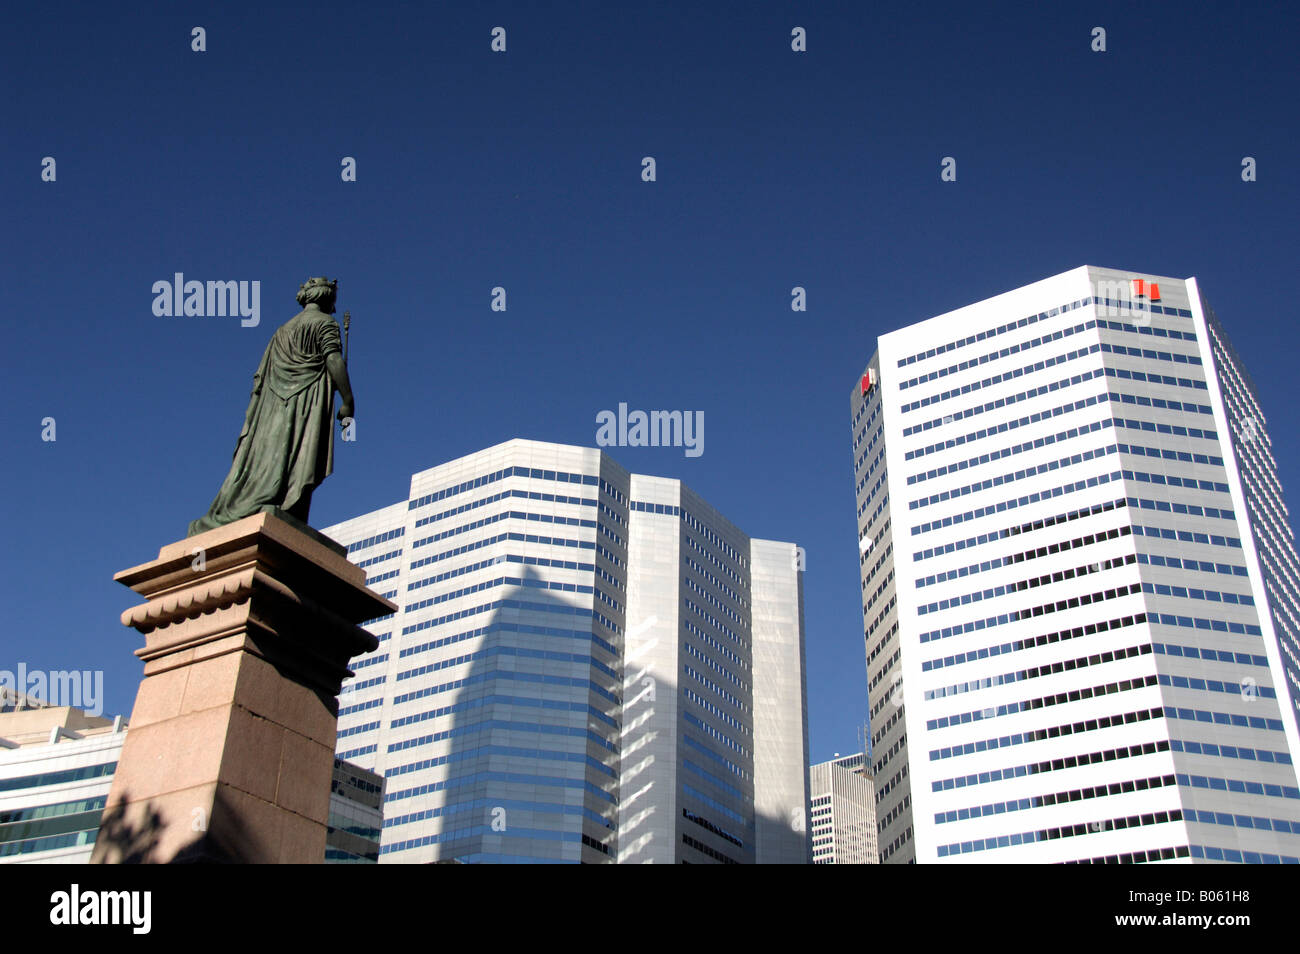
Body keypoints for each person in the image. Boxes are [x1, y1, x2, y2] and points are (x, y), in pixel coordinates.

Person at [188, 277, 354, 534]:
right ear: (328, 299)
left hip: (272, 408)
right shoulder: (325, 324)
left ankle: (272, 503)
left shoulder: (281, 330)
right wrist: (348, 400)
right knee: (298, 456)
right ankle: (284, 505)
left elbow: (262, 380)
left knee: (269, 456)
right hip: (304, 404)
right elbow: (334, 361)